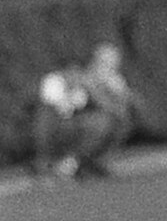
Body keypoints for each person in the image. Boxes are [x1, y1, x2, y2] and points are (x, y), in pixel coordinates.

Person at [31, 41, 139, 181]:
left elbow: (124, 114)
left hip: (82, 131)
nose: (110, 69)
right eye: (105, 63)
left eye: (113, 65)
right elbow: (50, 95)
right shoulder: (75, 76)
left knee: (114, 122)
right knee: (100, 122)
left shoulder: (110, 85)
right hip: (60, 128)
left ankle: (87, 163)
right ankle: (54, 163)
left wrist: (121, 95)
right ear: (95, 61)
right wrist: (66, 101)